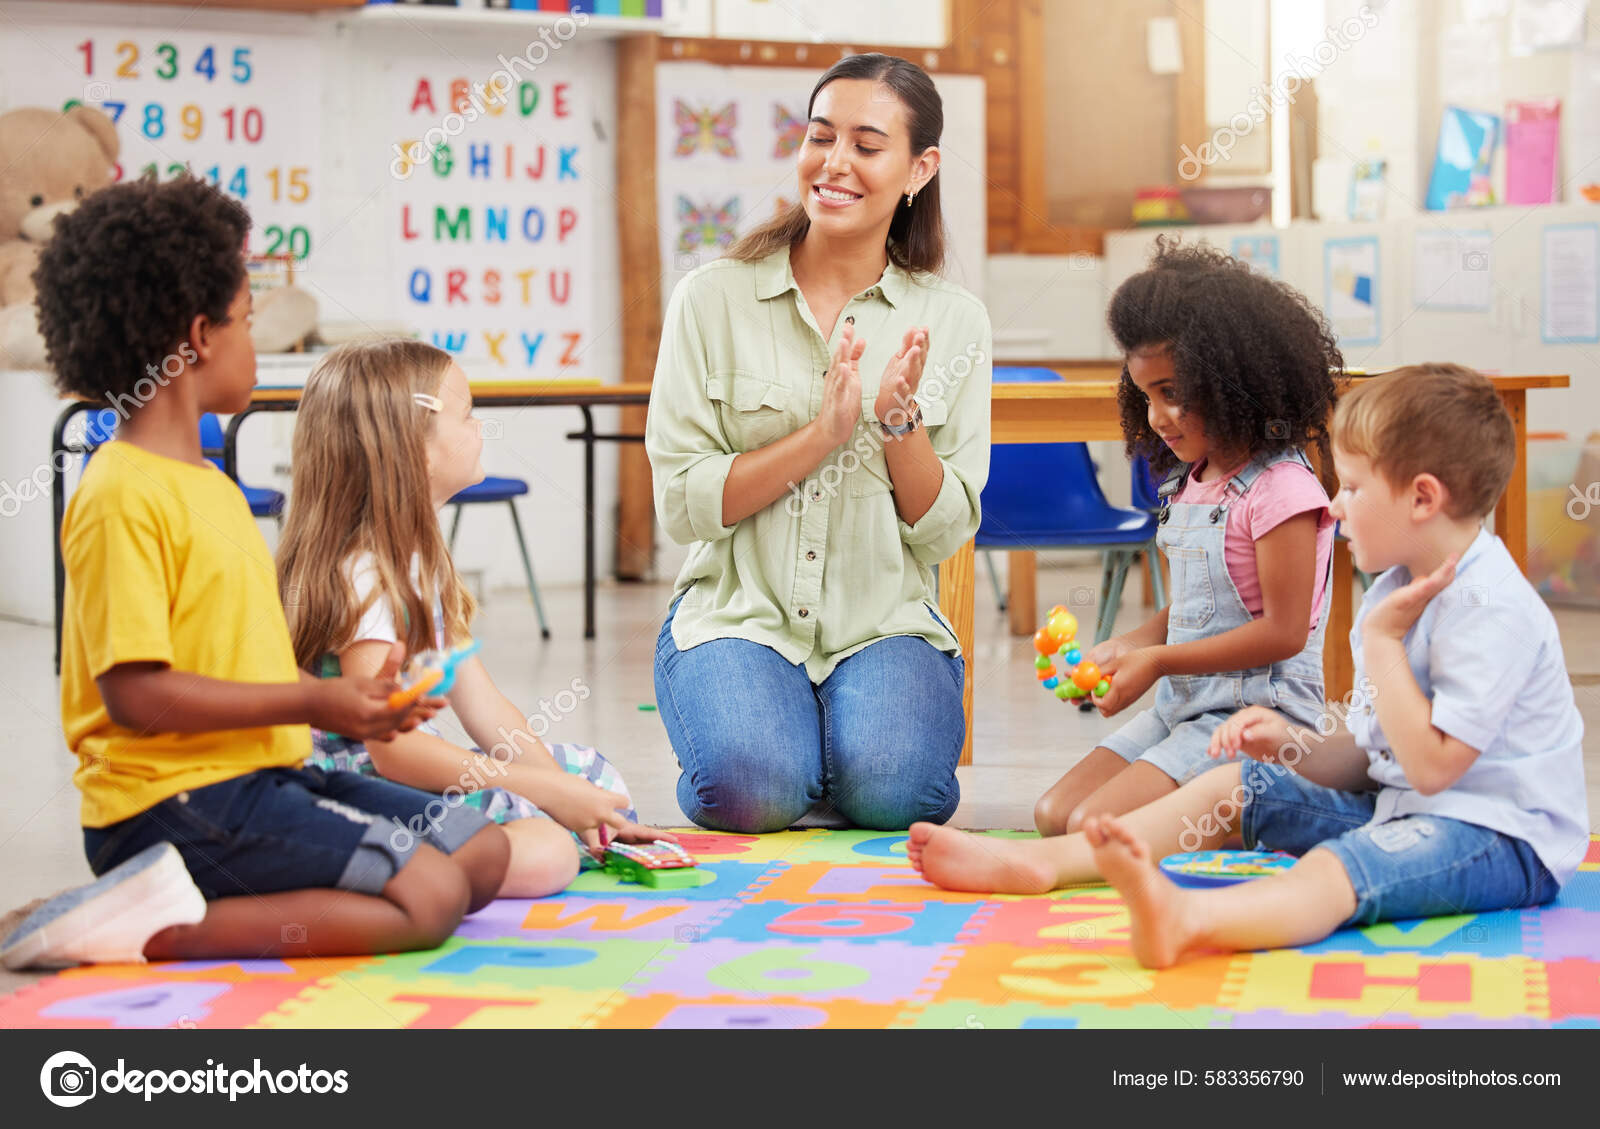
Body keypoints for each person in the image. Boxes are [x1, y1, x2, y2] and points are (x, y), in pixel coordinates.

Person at [909, 364, 1588, 969]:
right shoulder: (1393, 590)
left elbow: (1436, 768)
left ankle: (1192, 919)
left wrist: (1381, 644)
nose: (1336, 505)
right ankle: (1040, 863)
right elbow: (1377, 755)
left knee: (1339, 867)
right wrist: (1291, 746)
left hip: (1500, 836)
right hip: (1399, 807)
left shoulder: (1487, 607)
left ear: (1422, 498)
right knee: (1235, 785)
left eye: (1352, 488)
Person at [2, 177, 508, 971]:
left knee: (480, 851)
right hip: (171, 804)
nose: (254, 340)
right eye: (245, 320)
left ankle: (180, 901)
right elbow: (136, 696)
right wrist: (317, 700)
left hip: (263, 776)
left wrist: (369, 702)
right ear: (199, 337)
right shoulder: (119, 492)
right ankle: (148, 929)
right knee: (431, 898)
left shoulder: (211, 485)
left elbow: (242, 660)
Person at [647, 53, 991, 832]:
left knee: (897, 796)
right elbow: (685, 505)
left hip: (883, 622)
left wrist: (899, 425)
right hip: (738, 615)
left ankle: (833, 749)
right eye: (820, 136)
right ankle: (786, 746)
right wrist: (824, 435)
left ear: (919, 169)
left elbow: (942, 531)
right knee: (751, 791)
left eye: (866, 146)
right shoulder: (710, 299)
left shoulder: (955, 320)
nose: (834, 163)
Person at [277, 340, 677, 898]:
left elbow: (484, 705)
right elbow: (391, 753)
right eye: (467, 415)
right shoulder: (366, 576)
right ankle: (373, 871)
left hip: (409, 772)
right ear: (415, 450)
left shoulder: (419, 559)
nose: (480, 427)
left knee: (591, 776)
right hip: (359, 786)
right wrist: (544, 796)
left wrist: (559, 790)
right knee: (548, 853)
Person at [1034, 239, 1342, 836]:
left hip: (1257, 718)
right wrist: (1127, 647)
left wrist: (1156, 662)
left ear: (1232, 380)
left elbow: (1283, 632)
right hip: (1184, 707)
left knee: (1093, 826)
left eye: (1172, 392)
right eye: (1146, 395)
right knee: (1055, 817)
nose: (1157, 416)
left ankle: (1271, 806)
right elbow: (1200, 611)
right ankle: (1199, 815)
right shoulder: (1191, 481)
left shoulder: (1282, 489)